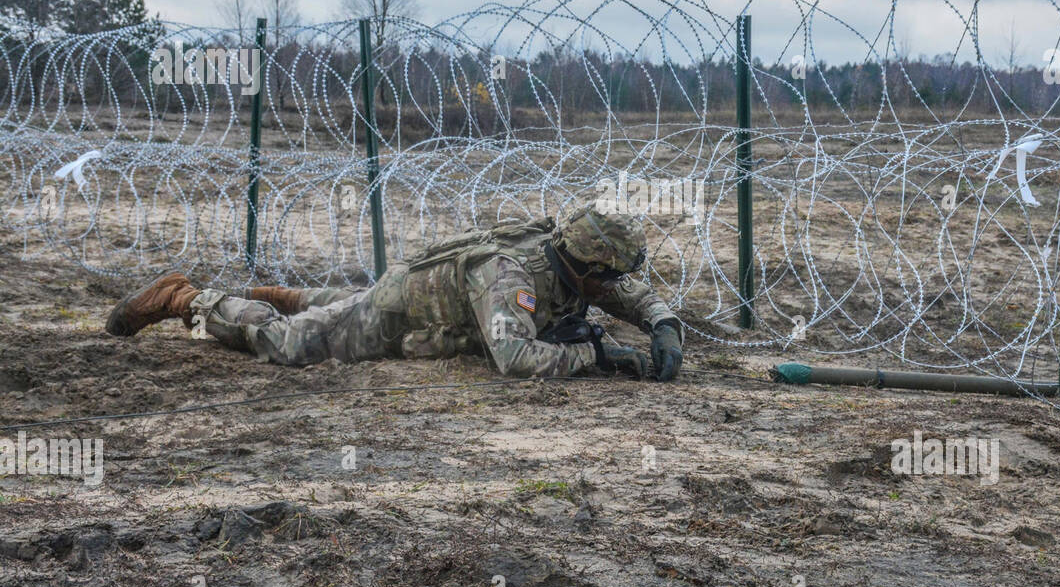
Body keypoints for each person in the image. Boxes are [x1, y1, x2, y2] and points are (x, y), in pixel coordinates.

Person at [104, 200, 684, 381]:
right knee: (285, 346)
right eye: (605, 276)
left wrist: (660, 323)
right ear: (583, 264)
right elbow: (514, 357)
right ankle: (185, 299)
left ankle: (295, 294)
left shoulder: (568, 259)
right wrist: (599, 355)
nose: (611, 287)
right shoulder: (512, 279)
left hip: (412, 297)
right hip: (398, 314)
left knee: (334, 308)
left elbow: (620, 292)